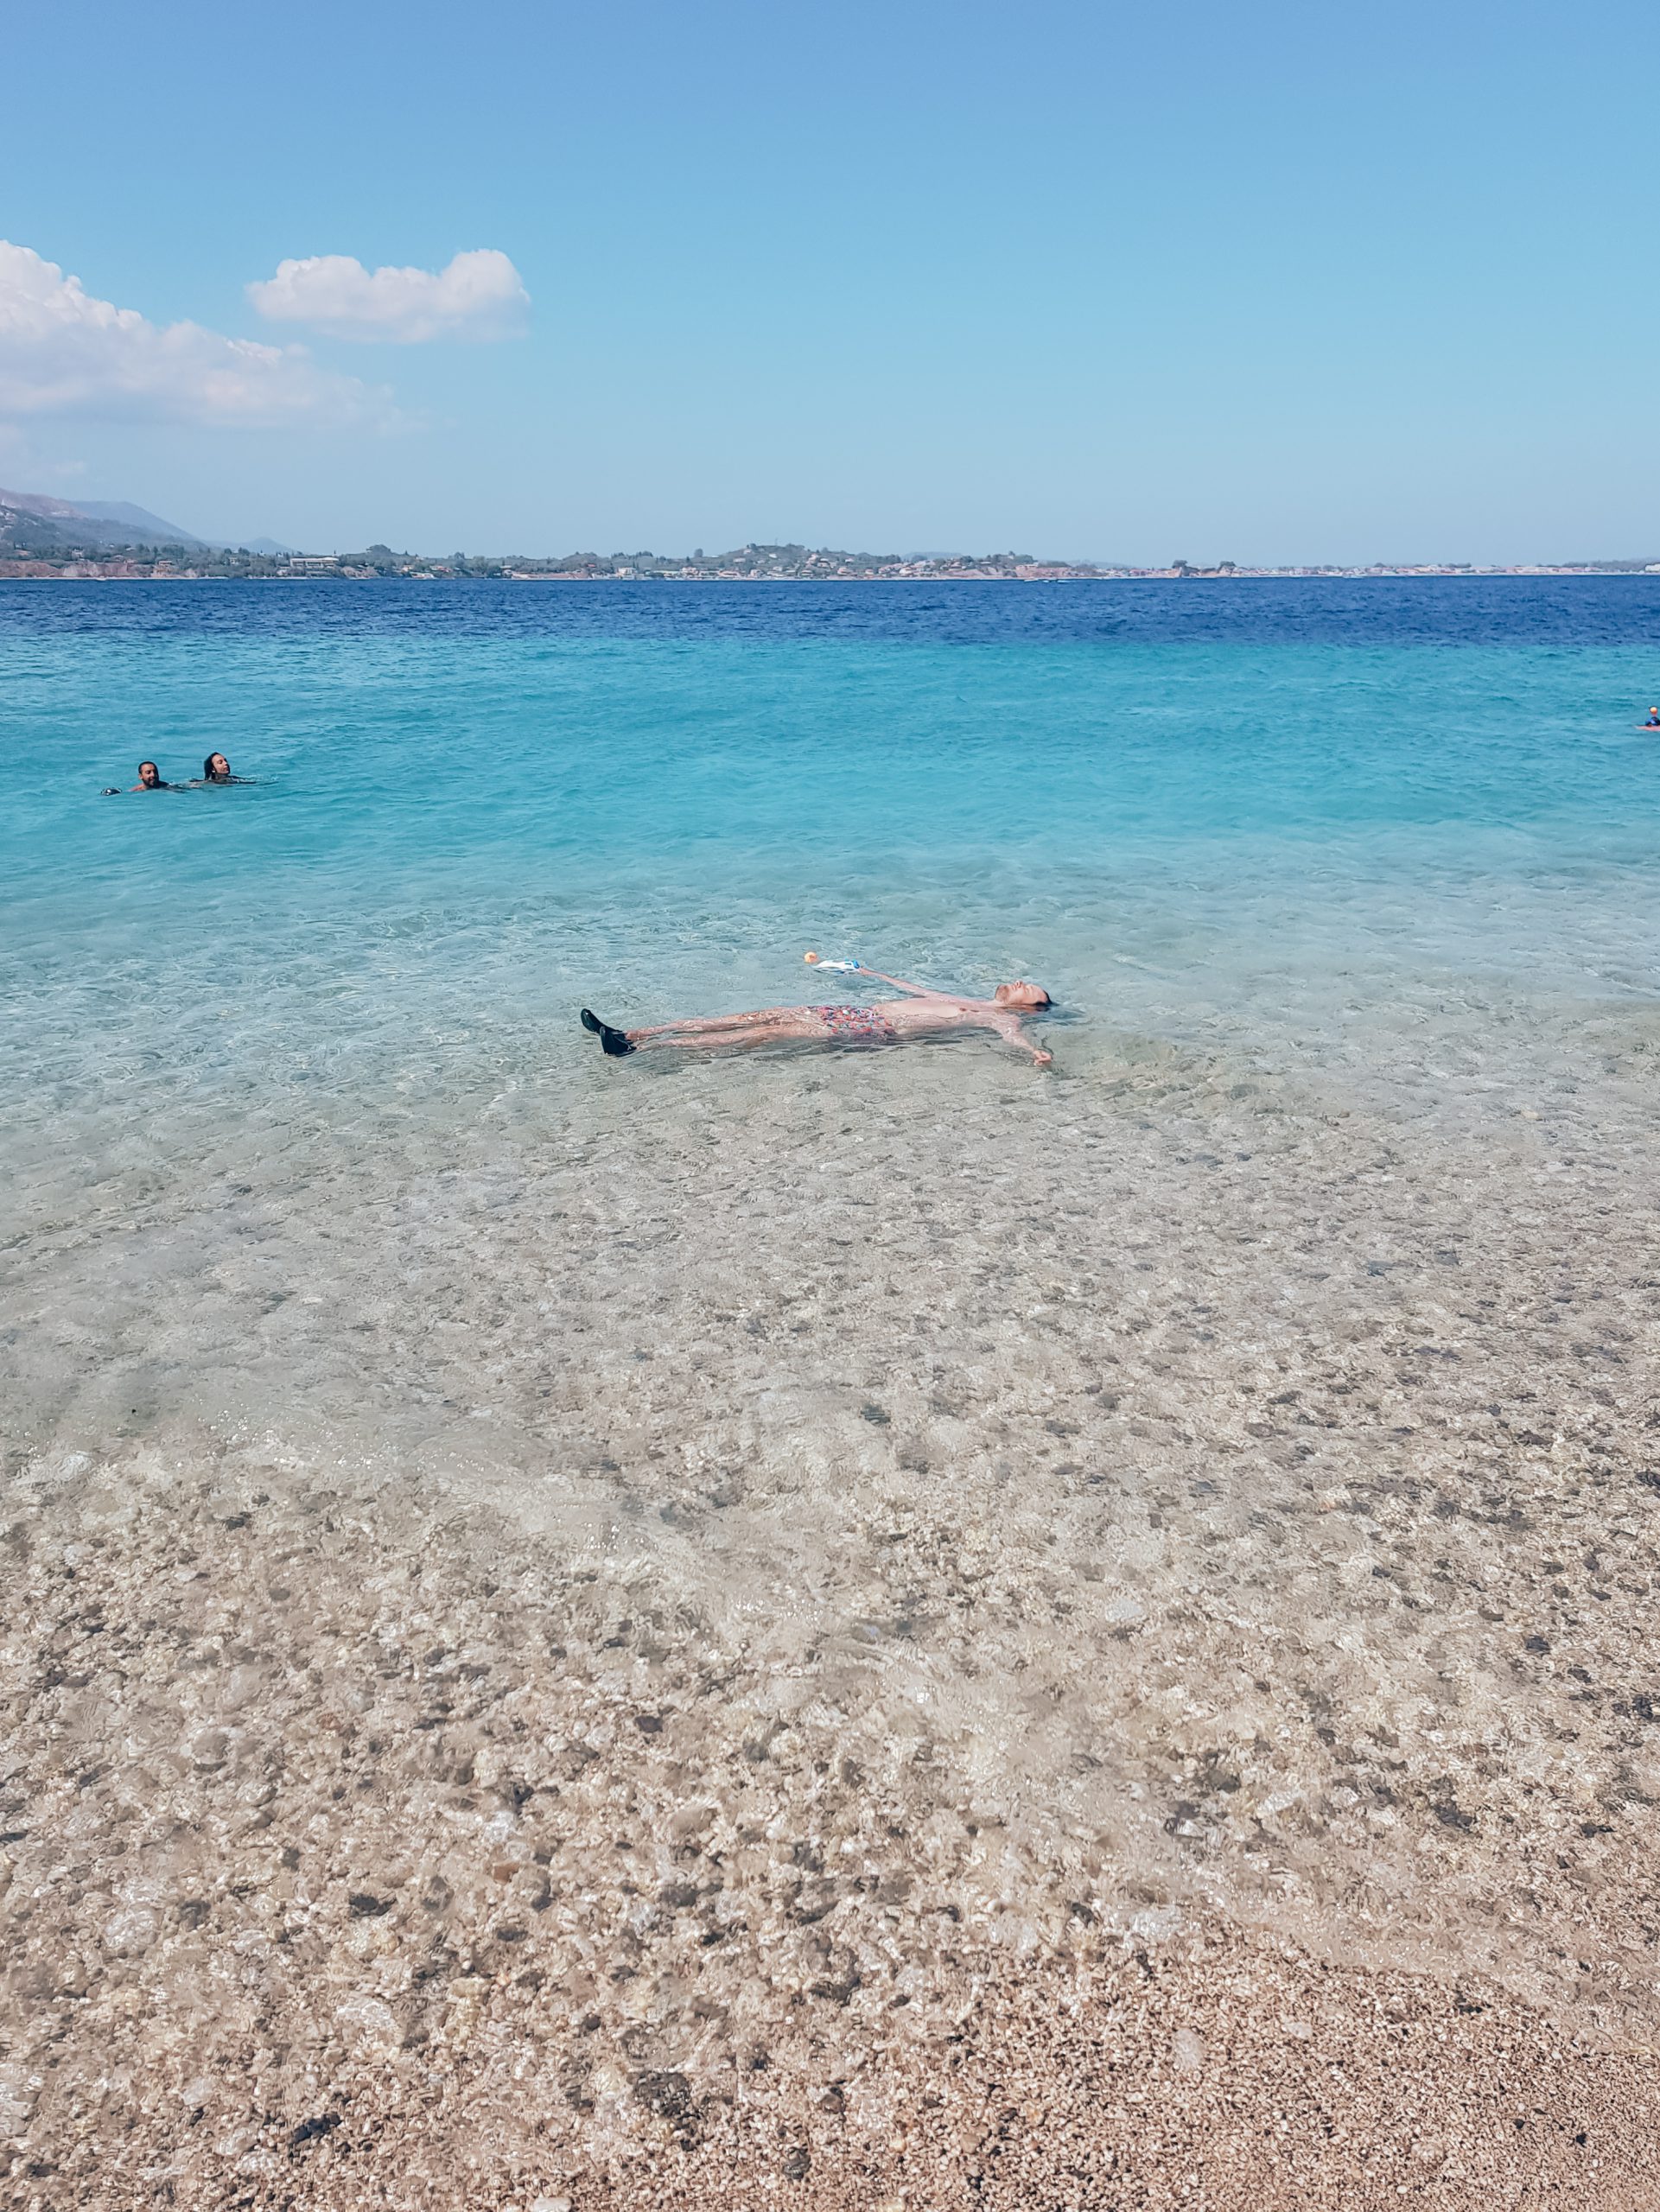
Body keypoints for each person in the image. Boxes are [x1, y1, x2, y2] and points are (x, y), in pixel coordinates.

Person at [581, 966, 1055, 1066]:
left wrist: (1037, 1054)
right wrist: (864, 969)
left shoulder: (1003, 1020)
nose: (1018, 980)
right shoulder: (965, 997)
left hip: (874, 1029)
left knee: (767, 1033)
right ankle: (630, 1032)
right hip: (855, 1011)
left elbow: (1016, 1042)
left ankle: (645, 1049)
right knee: (752, 1016)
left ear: (1031, 1007)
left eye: (1027, 987)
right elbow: (909, 987)